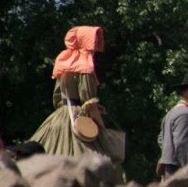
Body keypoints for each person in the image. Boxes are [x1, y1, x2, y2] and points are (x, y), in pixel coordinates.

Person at [29, 26, 126, 161]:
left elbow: (57, 99)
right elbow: (89, 102)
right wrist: (102, 129)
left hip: (60, 117)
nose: (96, 44)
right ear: (86, 42)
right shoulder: (85, 65)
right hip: (79, 119)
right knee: (102, 163)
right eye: (94, 40)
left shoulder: (64, 62)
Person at [156, 71, 188, 177]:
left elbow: (161, 138)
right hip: (178, 170)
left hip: (170, 168)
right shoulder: (185, 114)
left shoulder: (172, 112)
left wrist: (166, 154)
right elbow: (182, 143)